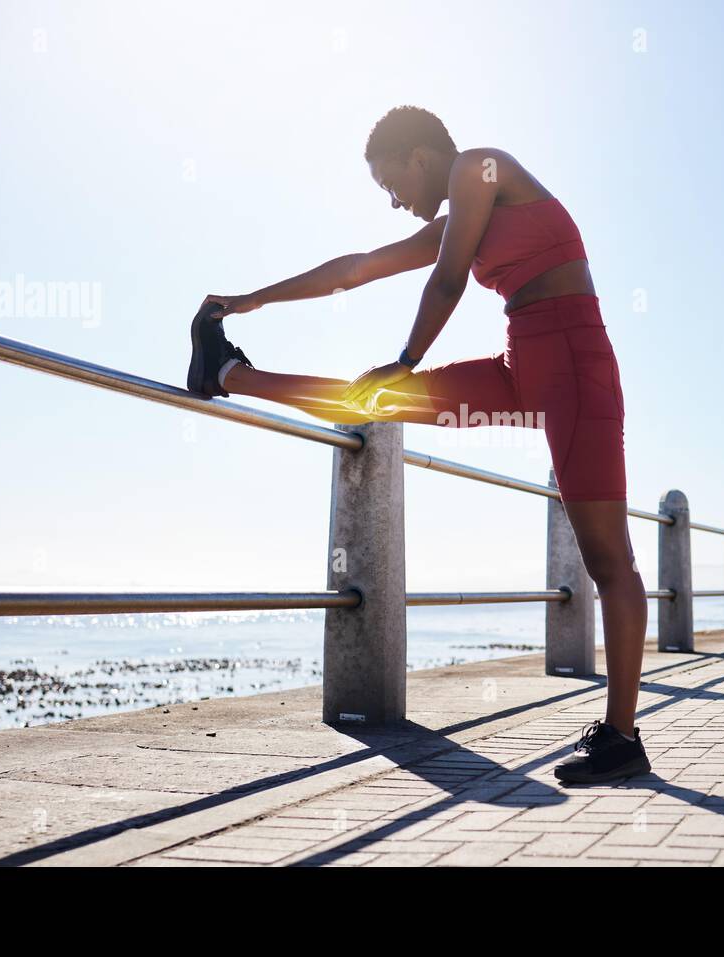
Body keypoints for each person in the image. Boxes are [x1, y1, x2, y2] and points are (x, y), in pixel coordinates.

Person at [186, 106, 650, 785]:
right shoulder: (453, 219)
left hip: (577, 367)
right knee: (370, 398)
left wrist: (405, 358)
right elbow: (356, 269)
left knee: (609, 560)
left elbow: (450, 282)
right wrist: (249, 300)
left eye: (391, 185)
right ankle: (227, 373)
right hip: (523, 367)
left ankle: (621, 735)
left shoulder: (479, 167)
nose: (395, 202)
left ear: (420, 157)